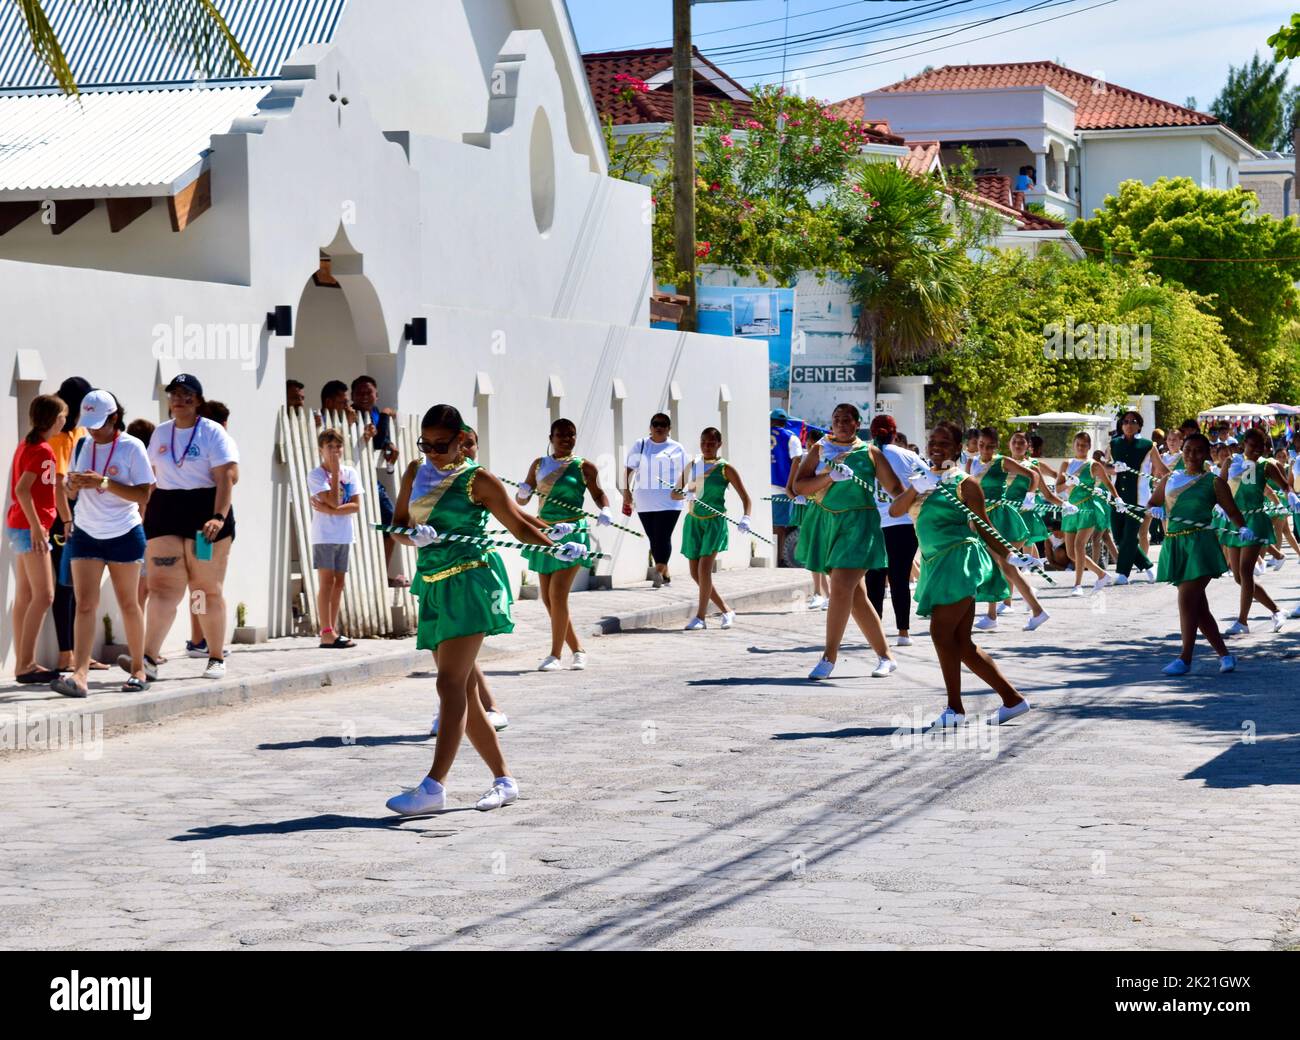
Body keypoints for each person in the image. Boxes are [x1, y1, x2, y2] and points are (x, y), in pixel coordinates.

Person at [384, 404, 573, 816]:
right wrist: (414, 538)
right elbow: (396, 526)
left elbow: (517, 526)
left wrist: (556, 543)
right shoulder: (414, 472)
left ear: (460, 442)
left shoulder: (477, 480)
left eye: (442, 445)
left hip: (469, 582)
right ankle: (504, 780)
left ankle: (434, 785)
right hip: (432, 584)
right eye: (426, 444)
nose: (433, 452)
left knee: (449, 685)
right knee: (464, 690)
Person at [888, 420, 1034, 729]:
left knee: (941, 634)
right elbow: (895, 511)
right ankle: (1013, 700)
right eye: (932, 441)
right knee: (961, 643)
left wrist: (1010, 554)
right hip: (934, 563)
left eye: (944, 442)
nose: (936, 446)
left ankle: (955, 709)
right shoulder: (921, 479)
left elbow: (983, 525)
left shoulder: (965, 483)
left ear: (957, 448)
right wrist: (917, 486)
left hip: (959, 560)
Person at [51, 391, 154, 697]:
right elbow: (71, 490)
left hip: (124, 532)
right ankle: (80, 674)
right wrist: (72, 485)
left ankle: (138, 668)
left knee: (128, 604)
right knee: (84, 604)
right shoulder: (83, 443)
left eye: (99, 423)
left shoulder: (132, 447)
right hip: (86, 532)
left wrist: (103, 482)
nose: (93, 430)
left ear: (114, 418)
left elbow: (143, 495)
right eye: (89, 423)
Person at [793, 403, 903, 681]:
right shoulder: (820, 449)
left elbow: (896, 490)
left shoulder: (870, 452)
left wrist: (921, 496)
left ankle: (829, 656)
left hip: (859, 527)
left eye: (846, 419)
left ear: (857, 423)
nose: (841, 423)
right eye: (836, 419)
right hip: (827, 523)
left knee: (840, 587)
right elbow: (799, 487)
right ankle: (886, 656)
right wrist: (829, 477)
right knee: (856, 598)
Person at [140, 374, 238, 681]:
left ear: (198, 401)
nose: (179, 400)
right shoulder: (160, 434)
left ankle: (215, 656)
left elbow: (226, 478)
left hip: (203, 513)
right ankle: (147, 658)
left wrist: (218, 517)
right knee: (163, 587)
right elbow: (153, 480)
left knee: (204, 588)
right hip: (166, 511)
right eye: (174, 394)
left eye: (187, 395)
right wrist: (145, 516)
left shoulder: (212, 433)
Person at [429, 425, 509, 737]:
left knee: (457, 651)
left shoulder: (477, 479)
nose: (469, 450)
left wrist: (552, 539)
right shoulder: (431, 478)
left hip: (470, 571)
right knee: (445, 649)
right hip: (435, 573)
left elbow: (516, 518)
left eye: (473, 444)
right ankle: (463, 706)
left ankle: (482, 707)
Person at [1148, 433, 1251, 675]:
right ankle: (1225, 655)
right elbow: (1152, 503)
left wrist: (1243, 528)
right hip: (1175, 544)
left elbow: (1233, 511)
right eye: (1188, 450)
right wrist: (1156, 510)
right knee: (1198, 607)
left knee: (1186, 599)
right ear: (1182, 451)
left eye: (1198, 450)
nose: (1192, 455)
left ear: (1206, 454)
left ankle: (1185, 658)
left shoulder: (1213, 482)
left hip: (1200, 545)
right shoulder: (1169, 479)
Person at [517, 418, 612, 670]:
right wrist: (524, 491)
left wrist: (606, 509)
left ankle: (555, 655)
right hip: (545, 534)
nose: (567, 439)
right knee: (549, 601)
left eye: (571, 435)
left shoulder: (584, 467)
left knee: (558, 595)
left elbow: (598, 493)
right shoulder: (539, 465)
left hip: (572, 534)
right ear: (551, 437)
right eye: (561, 435)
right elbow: (522, 502)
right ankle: (578, 650)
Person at [6, 395, 67, 683]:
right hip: (30, 528)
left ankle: (24, 663)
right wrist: (36, 526)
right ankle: (26, 665)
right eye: (63, 416)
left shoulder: (27, 445)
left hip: (20, 526)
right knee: (45, 595)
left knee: (26, 597)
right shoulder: (43, 451)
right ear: (54, 419)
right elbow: (22, 490)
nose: (65, 421)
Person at [968, 428, 1052, 632]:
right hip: (981, 517)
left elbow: (1033, 475)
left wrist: (1030, 496)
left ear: (996, 446)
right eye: (981, 445)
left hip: (1000, 517)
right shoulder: (972, 462)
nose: (985, 450)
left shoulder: (1002, 461)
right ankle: (1030, 611)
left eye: (989, 446)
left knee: (1003, 565)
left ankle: (997, 614)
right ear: (976, 444)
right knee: (1001, 566)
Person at [47, 376, 104, 675]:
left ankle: (80, 653)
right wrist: (67, 520)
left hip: (82, 515)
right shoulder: (56, 437)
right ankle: (65, 654)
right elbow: (57, 484)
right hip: (63, 519)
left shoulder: (80, 432)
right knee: (64, 585)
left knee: (82, 587)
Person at [674, 427, 753, 631]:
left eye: (711, 443)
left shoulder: (725, 468)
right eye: (703, 442)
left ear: (719, 444)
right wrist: (684, 493)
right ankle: (726, 610)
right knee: (695, 573)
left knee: (704, 570)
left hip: (714, 521)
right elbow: (673, 494)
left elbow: (746, 497)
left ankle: (700, 617)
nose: (707, 446)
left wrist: (746, 517)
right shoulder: (693, 465)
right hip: (693, 521)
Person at [1218, 428, 1293, 635]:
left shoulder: (1266, 465)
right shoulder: (1231, 462)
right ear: (1244, 444)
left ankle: (1242, 621)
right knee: (1238, 577)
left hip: (1255, 519)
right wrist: (1218, 504)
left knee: (1245, 571)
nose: (1255, 451)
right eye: (1251, 447)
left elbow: (1285, 485)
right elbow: (1220, 485)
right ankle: (1277, 610)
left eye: (1260, 448)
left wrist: (1291, 496)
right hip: (1234, 519)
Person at [864, 414, 923, 647]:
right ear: (894, 434)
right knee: (900, 578)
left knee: (874, 579)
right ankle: (903, 633)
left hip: (872, 524)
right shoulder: (908, 455)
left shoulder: (863, 456)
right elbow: (929, 481)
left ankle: (875, 632)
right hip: (904, 524)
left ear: (871, 433)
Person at [308, 428, 363, 649]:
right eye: (329, 446)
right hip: (324, 536)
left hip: (344, 534)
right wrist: (334, 471)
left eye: (338, 446)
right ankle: (326, 631)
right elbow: (334, 500)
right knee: (327, 582)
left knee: (339, 582)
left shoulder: (350, 473)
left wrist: (331, 509)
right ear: (321, 449)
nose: (334, 450)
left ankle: (332, 628)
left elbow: (355, 506)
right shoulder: (316, 475)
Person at [350, 375, 405, 586]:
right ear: (353, 396)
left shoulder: (374, 412)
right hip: (350, 479)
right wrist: (383, 416)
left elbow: (381, 442)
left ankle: (381, 574)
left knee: (392, 522)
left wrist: (389, 444)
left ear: (377, 394)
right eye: (360, 393)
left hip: (370, 480)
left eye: (369, 392)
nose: (364, 396)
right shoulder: (350, 415)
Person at [622, 413, 686, 587]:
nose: (659, 427)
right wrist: (626, 493)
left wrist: (680, 490)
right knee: (654, 538)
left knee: (663, 536)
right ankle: (665, 573)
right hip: (644, 501)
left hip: (670, 501)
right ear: (650, 427)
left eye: (664, 425)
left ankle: (658, 570)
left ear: (669, 429)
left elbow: (686, 472)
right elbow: (628, 469)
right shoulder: (641, 445)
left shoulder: (676, 448)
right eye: (656, 424)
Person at [1107, 411, 1166, 584]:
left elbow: (1161, 469)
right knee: (1118, 537)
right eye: (1126, 421)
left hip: (1139, 499)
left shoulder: (1148, 445)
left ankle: (1123, 574)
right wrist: (1114, 468)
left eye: (1133, 421)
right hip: (1117, 497)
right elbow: (1103, 466)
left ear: (1139, 425)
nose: (1129, 424)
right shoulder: (1114, 443)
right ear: (1121, 425)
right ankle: (1148, 565)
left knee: (1130, 536)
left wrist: (1175, 482)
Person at [1056, 432, 1116, 596]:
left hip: (1087, 509)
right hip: (1070, 510)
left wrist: (1117, 499)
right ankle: (1101, 574)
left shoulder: (1093, 465)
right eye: (1078, 444)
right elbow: (1057, 488)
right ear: (1074, 445)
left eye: (1084, 445)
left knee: (1079, 546)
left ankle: (1078, 585)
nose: (1081, 447)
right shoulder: (1066, 464)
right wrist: (1068, 482)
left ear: (1089, 447)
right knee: (1070, 553)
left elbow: (1108, 482)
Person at [127, 418, 156, 615]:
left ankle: (138, 639)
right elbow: (142, 505)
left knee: (140, 590)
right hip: (147, 533)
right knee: (142, 590)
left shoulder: (131, 463)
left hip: (140, 532)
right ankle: (139, 640)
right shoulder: (147, 466)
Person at [769, 409, 804, 566]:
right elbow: (797, 461)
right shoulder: (791, 437)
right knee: (779, 526)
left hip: (761, 486)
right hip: (781, 488)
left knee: (770, 524)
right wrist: (792, 487)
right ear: (785, 422)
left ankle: (773, 557)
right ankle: (778, 559)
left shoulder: (759, 433)